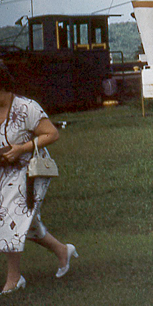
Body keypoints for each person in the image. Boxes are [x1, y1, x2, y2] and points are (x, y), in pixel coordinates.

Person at [0, 61, 77, 295]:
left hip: (31, 172)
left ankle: (14, 278)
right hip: (5, 172)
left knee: (10, 215)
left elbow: (52, 134)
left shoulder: (26, 107)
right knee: (25, 222)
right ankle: (62, 251)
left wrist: (21, 148)